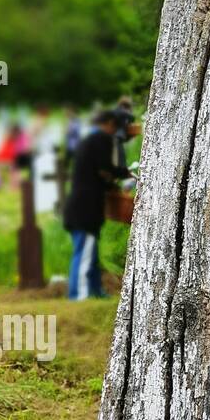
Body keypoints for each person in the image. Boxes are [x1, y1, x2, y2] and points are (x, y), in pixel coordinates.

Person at [63, 109, 124, 300]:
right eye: (115, 127)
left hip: (77, 208)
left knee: (90, 255)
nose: (115, 133)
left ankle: (96, 291)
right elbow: (106, 169)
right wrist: (125, 174)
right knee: (83, 256)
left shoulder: (87, 141)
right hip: (86, 211)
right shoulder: (101, 140)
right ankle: (78, 296)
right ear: (109, 124)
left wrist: (110, 182)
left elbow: (100, 173)